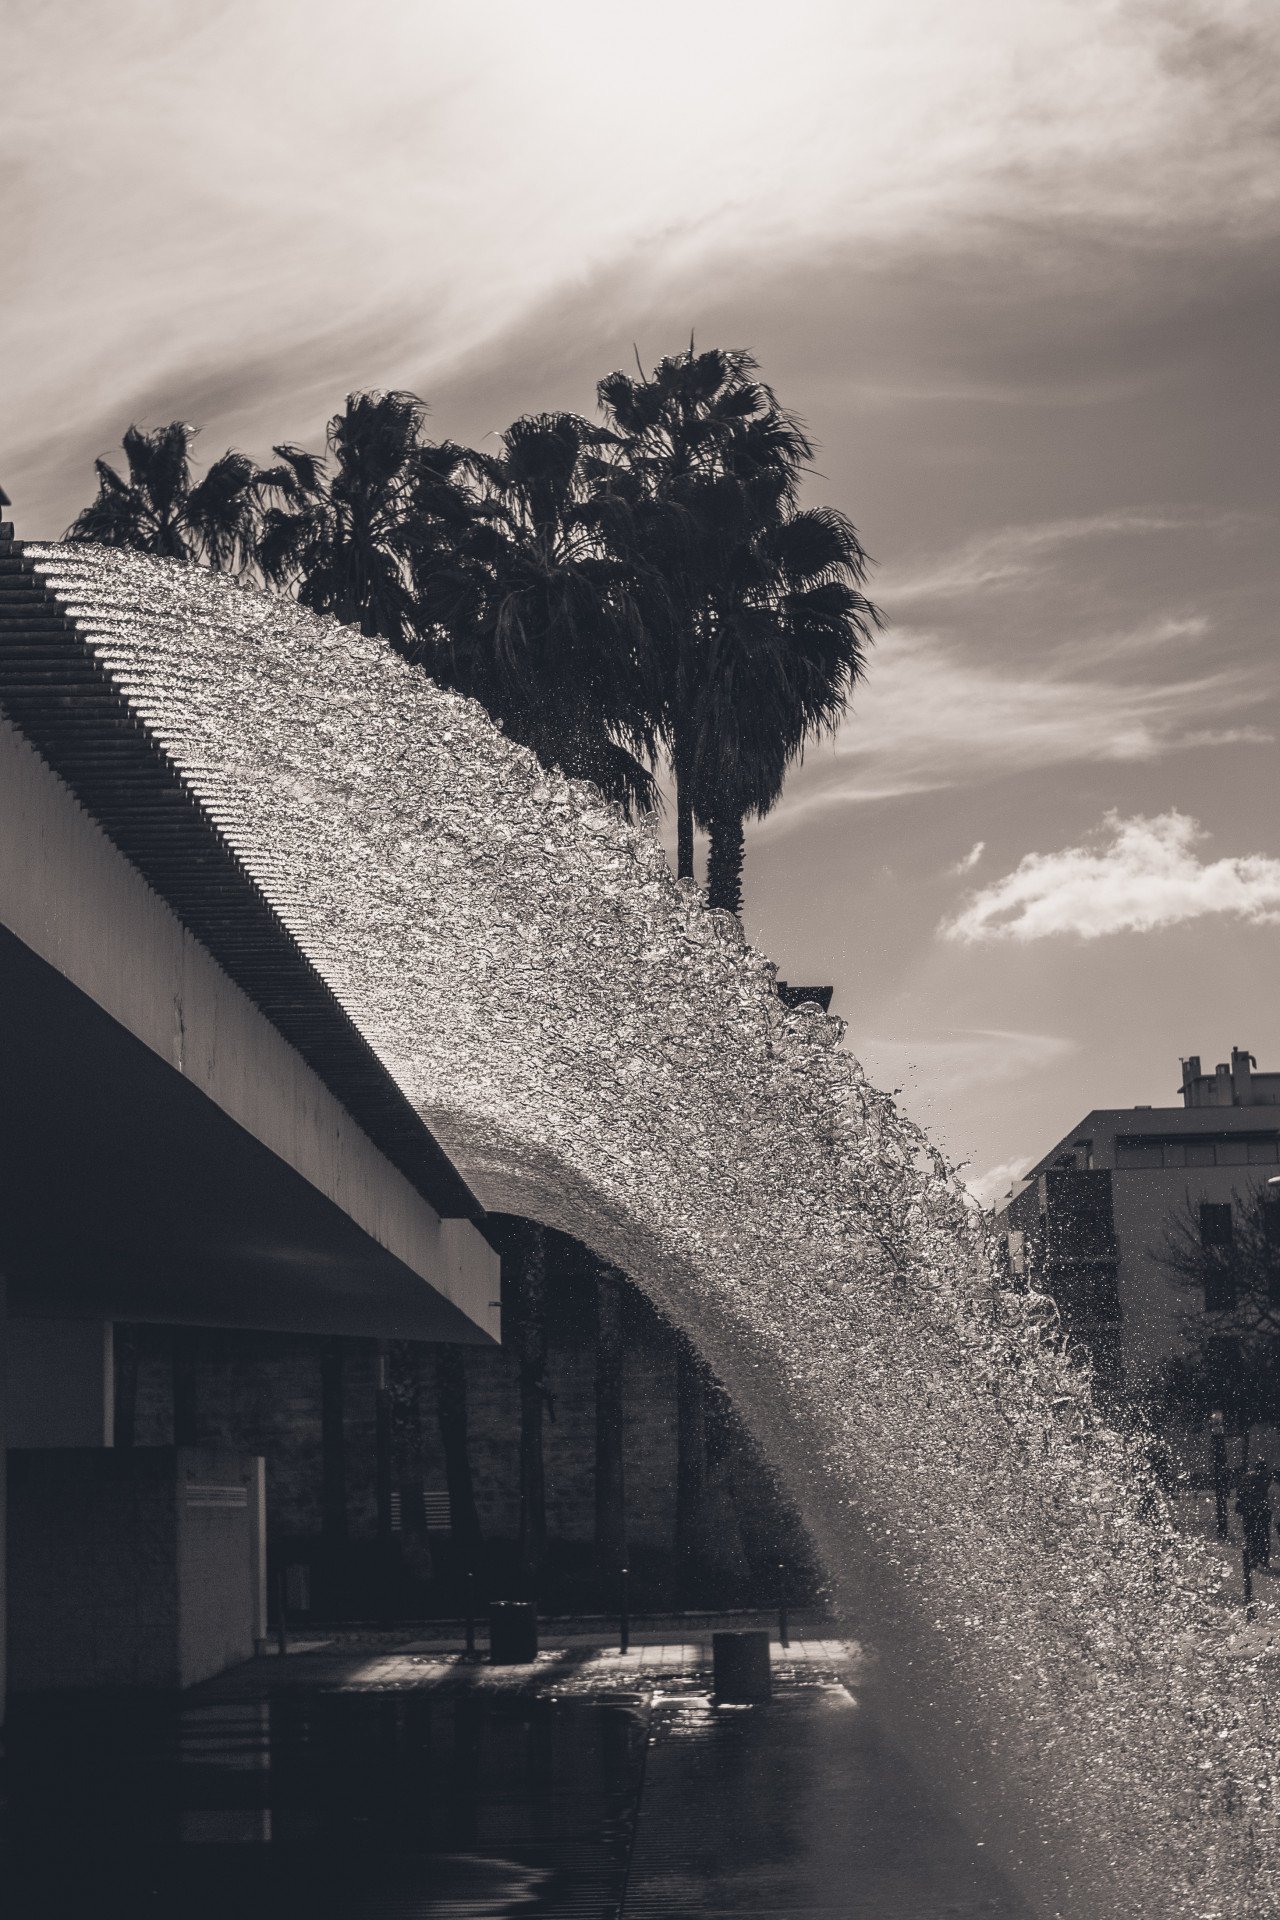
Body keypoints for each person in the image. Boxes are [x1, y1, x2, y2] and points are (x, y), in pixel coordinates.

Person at [1235, 1458, 1275, 1570]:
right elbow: (1270, 1494)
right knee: (1264, 1535)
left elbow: (1240, 1493)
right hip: (1263, 1510)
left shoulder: (1247, 1477)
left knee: (1250, 1535)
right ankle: (1264, 1559)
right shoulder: (1268, 1478)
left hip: (1249, 1511)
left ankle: (1252, 1557)